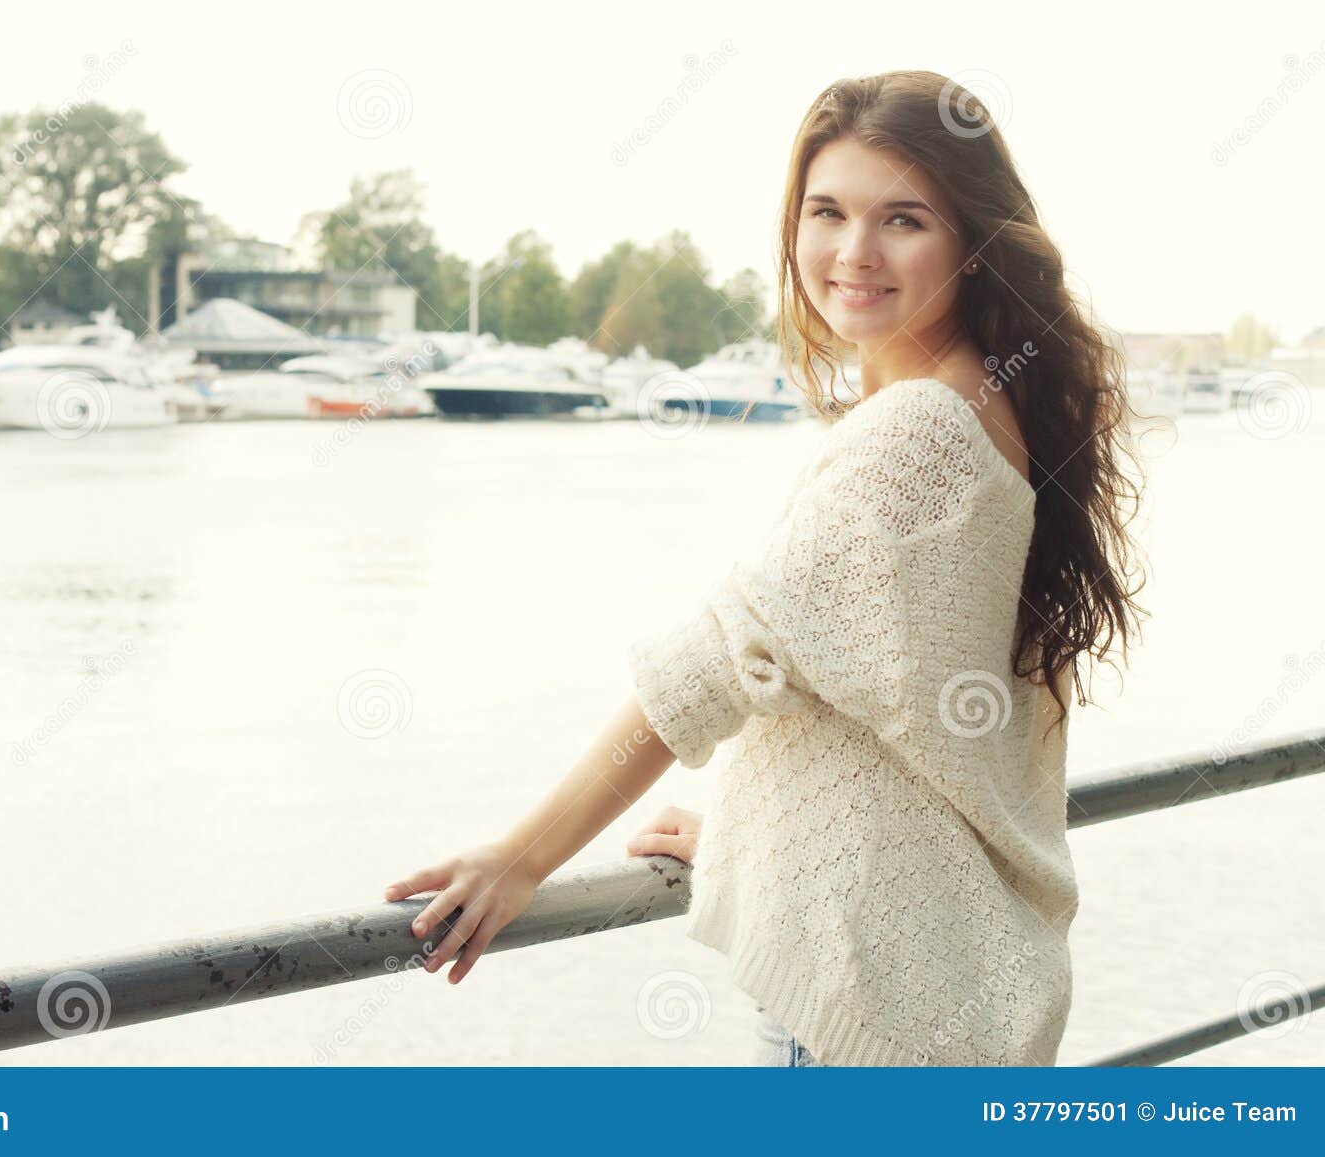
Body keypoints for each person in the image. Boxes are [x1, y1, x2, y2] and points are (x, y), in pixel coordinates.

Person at [382, 69, 1148, 1067]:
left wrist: (519, 858)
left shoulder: (917, 432)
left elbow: (710, 664)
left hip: (866, 1022)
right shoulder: (988, 407)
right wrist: (763, 835)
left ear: (972, 242)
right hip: (944, 990)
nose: (852, 252)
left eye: (902, 220)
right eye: (825, 211)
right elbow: (919, 716)